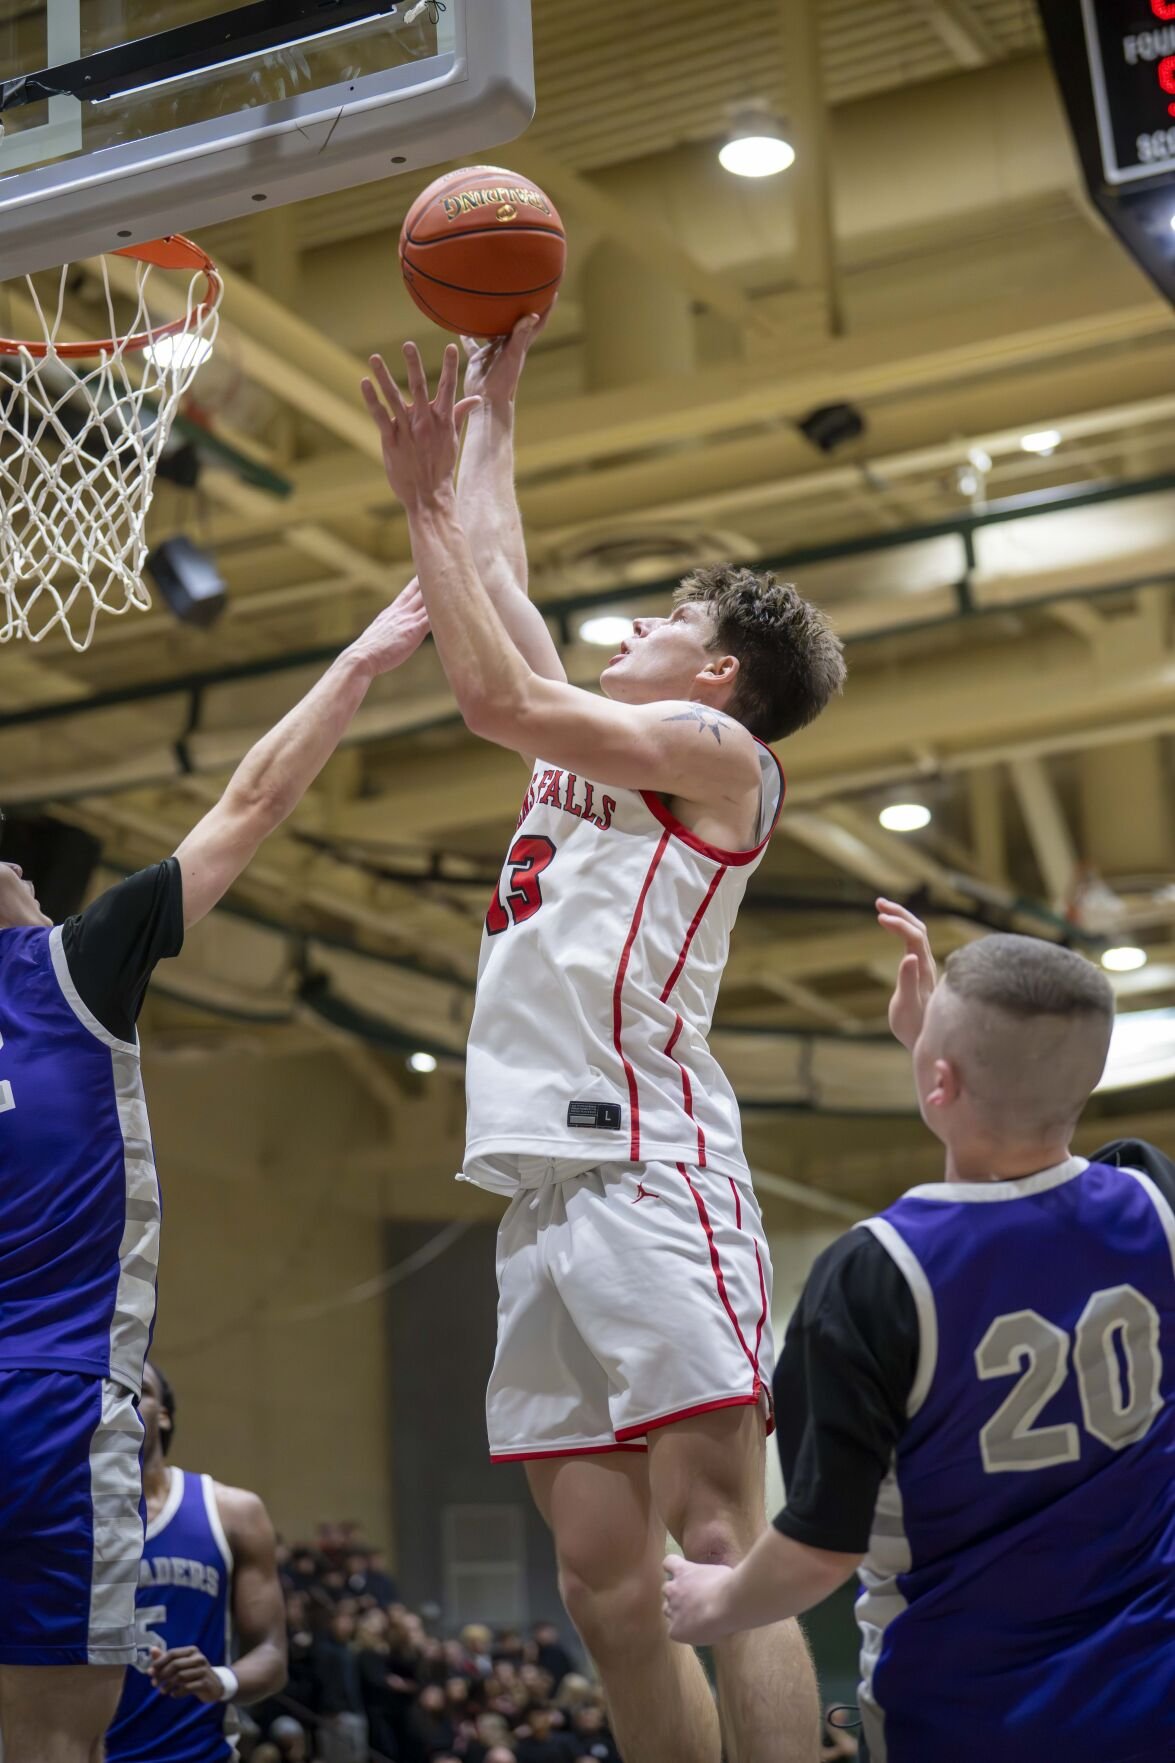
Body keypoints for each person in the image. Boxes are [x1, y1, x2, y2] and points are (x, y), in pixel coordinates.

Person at [361, 327, 845, 1763]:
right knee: (604, 1589)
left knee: (717, 1549)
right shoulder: (588, 740)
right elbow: (498, 584)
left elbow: (492, 687)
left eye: (665, 619)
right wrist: (491, 411)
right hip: (539, 1185)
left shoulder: (725, 762)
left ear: (718, 673)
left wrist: (417, 499)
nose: (627, 623)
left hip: (649, 1163)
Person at [0, 581, 429, 1763]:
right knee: (57, 1741)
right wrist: (359, 660)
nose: (24, 865)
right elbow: (252, 799)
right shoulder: (69, 969)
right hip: (55, 1402)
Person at [663, 902, 1175, 1763]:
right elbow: (1028, 1151)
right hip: (1151, 1689)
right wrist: (946, 1054)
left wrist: (715, 1602)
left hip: (963, 1710)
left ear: (937, 1081)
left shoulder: (874, 1277)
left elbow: (820, 1550)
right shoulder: (1150, 1197)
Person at [104, 1363, 287, 1763]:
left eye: (139, 1389)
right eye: (112, 1388)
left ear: (164, 1415)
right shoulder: (58, 1520)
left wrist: (218, 1680)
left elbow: (271, 1655)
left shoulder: (232, 1512)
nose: (123, 1399)